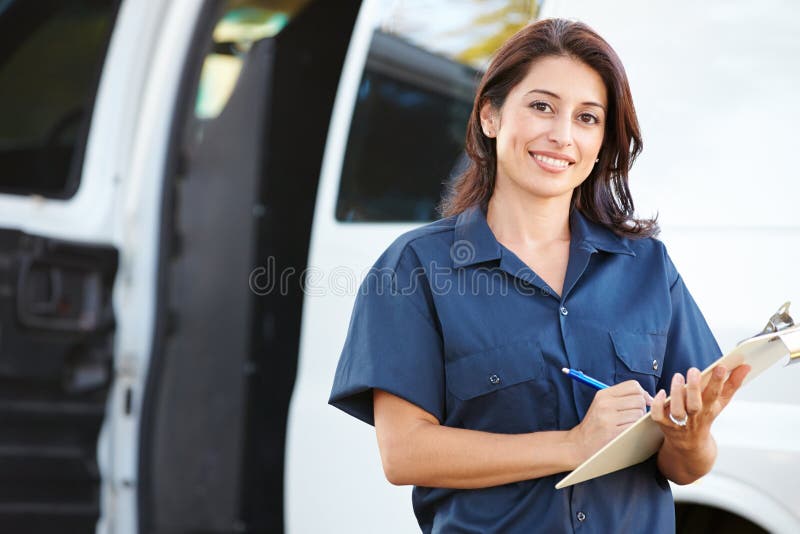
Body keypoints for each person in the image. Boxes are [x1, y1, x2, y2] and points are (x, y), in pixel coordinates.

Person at [329, 18, 750, 533]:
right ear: (490, 115)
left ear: (601, 143)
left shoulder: (647, 268)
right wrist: (572, 445)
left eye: (588, 118)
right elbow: (405, 453)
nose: (562, 135)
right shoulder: (416, 268)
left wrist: (691, 439)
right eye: (541, 106)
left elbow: (685, 468)